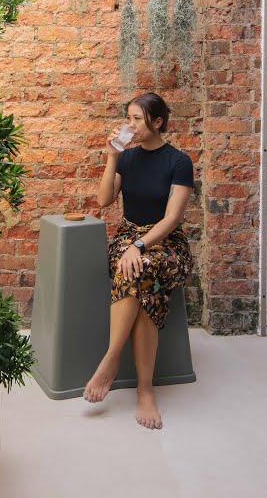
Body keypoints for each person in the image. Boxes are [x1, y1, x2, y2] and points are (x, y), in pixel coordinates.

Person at [84, 92, 195, 430]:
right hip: (127, 238)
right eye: (128, 118)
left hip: (165, 242)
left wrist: (140, 244)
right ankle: (143, 388)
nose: (129, 125)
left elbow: (172, 218)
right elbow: (104, 200)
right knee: (139, 274)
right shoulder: (127, 159)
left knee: (142, 267)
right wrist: (111, 158)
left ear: (157, 122)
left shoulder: (179, 162)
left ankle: (111, 359)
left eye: (136, 118)